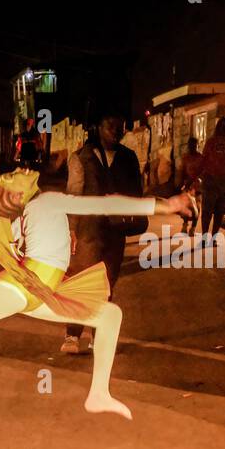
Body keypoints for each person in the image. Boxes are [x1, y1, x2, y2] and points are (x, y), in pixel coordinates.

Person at [0, 170, 193, 421]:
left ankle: (98, 394)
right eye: (11, 178)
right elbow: (104, 203)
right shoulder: (48, 201)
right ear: (18, 194)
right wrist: (164, 205)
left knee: (110, 315)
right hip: (22, 287)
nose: (20, 170)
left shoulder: (28, 213)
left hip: (41, 290)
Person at [61, 114, 145, 355]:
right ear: (98, 127)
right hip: (89, 231)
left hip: (115, 232)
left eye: (120, 127)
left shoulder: (128, 158)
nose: (116, 132)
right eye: (111, 126)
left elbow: (137, 191)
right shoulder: (81, 157)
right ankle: (72, 335)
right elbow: (73, 196)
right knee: (82, 283)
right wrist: (71, 230)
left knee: (106, 285)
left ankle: (99, 336)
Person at [178, 137, 204, 235]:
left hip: (198, 187)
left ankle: (193, 228)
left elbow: (203, 172)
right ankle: (185, 225)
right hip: (188, 186)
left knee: (197, 207)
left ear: (197, 145)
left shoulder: (201, 158)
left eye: (194, 145)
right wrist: (182, 184)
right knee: (186, 207)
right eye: (191, 145)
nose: (192, 147)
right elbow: (183, 171)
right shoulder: (185, 157)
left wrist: (200, 179)